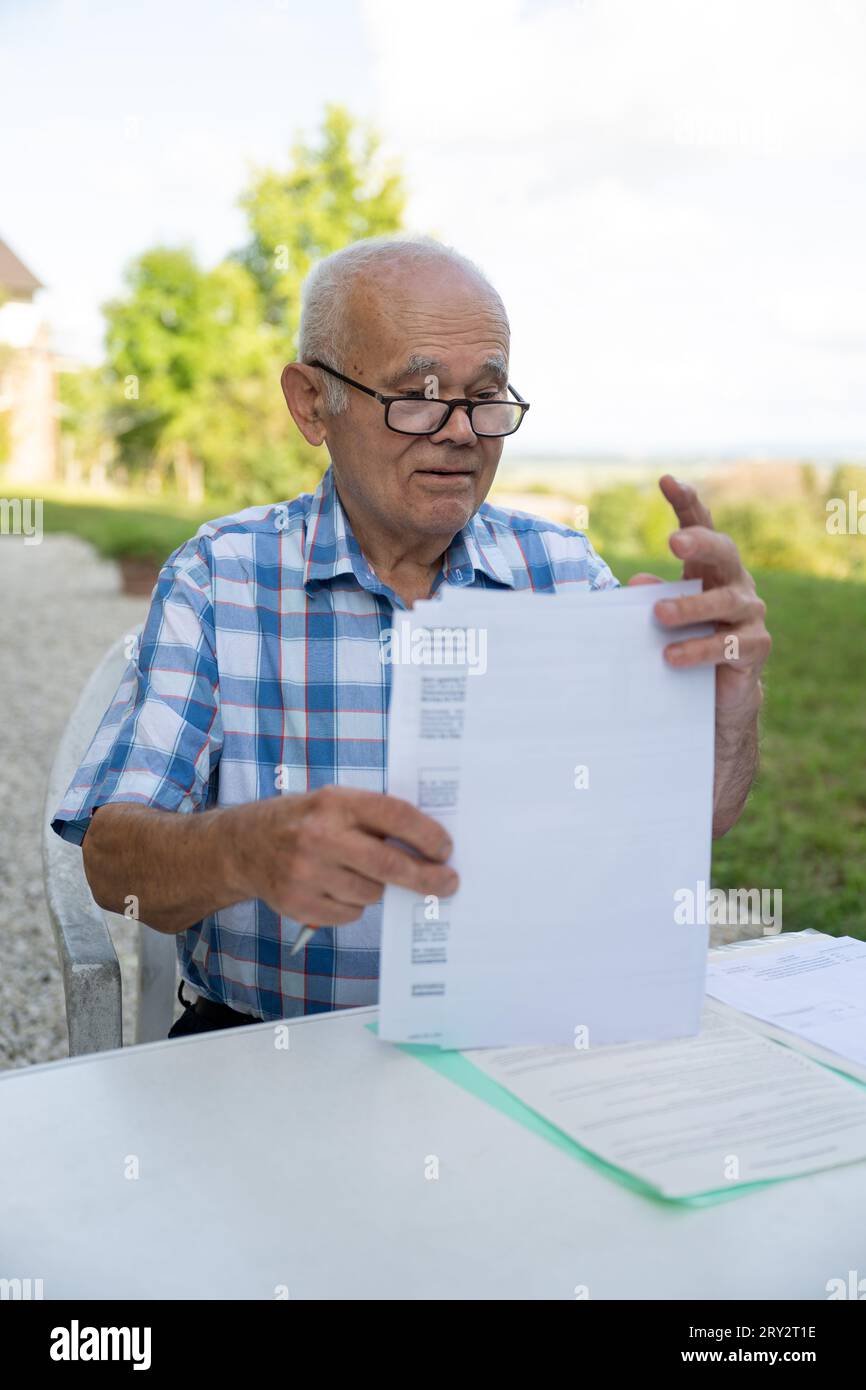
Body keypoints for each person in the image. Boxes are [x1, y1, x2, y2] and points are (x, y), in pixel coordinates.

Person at [51, 236, 771, 1038]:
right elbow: (112, 862)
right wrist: (242, 850)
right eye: (418, 396)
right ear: (312, 402)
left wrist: (729, 705)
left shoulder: (562, 575)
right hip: (266, 1046)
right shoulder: (222, 577)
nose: (462, 432)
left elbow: (690, 820)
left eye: (486, 396)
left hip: (522, 1034)